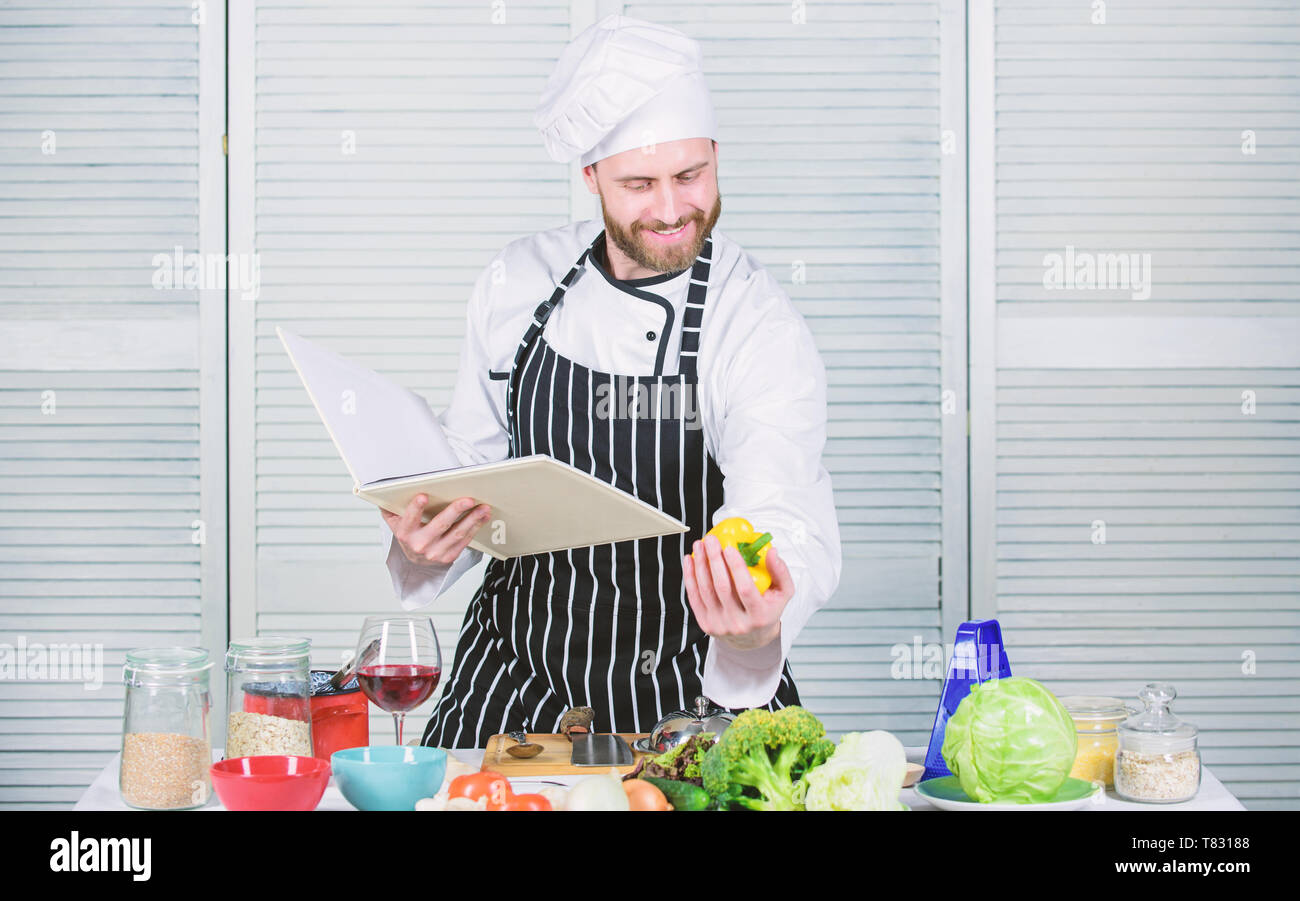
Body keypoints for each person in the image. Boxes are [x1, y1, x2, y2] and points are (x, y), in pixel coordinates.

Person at [380, 15, 841, 748]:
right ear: (590, 176)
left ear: (717, 155)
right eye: (638, 183)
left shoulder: (753, 320)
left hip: (690, 696)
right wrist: (423, 542)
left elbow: (780, 495)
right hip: (515, 687)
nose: (669, 209)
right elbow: (472, 480)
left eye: (691, 175)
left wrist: (756, 621)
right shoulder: (515, 285)